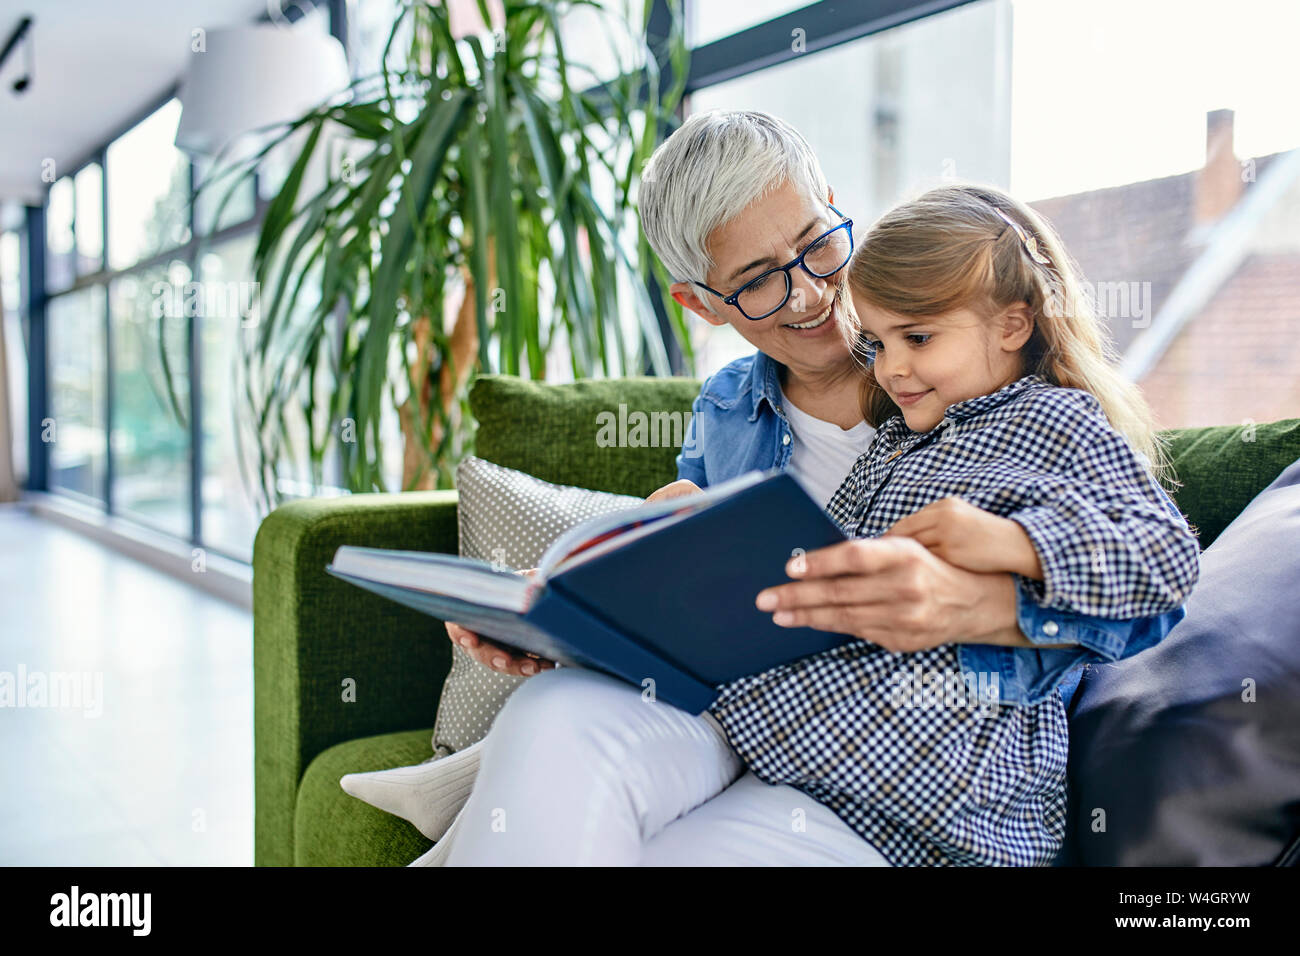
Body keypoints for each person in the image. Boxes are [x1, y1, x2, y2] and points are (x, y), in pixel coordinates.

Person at [426, 112, 1188, 866]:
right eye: (757, 280)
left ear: (832, 200)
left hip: (915, 778)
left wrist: (996, 585)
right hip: (761, 729)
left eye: (818, 245)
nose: (807, 294)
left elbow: (1151, 576)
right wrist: (577, 613)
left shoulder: (988, 385)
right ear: (701, 302)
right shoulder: (738, 413)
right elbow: (736, 604)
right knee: (552, 714)